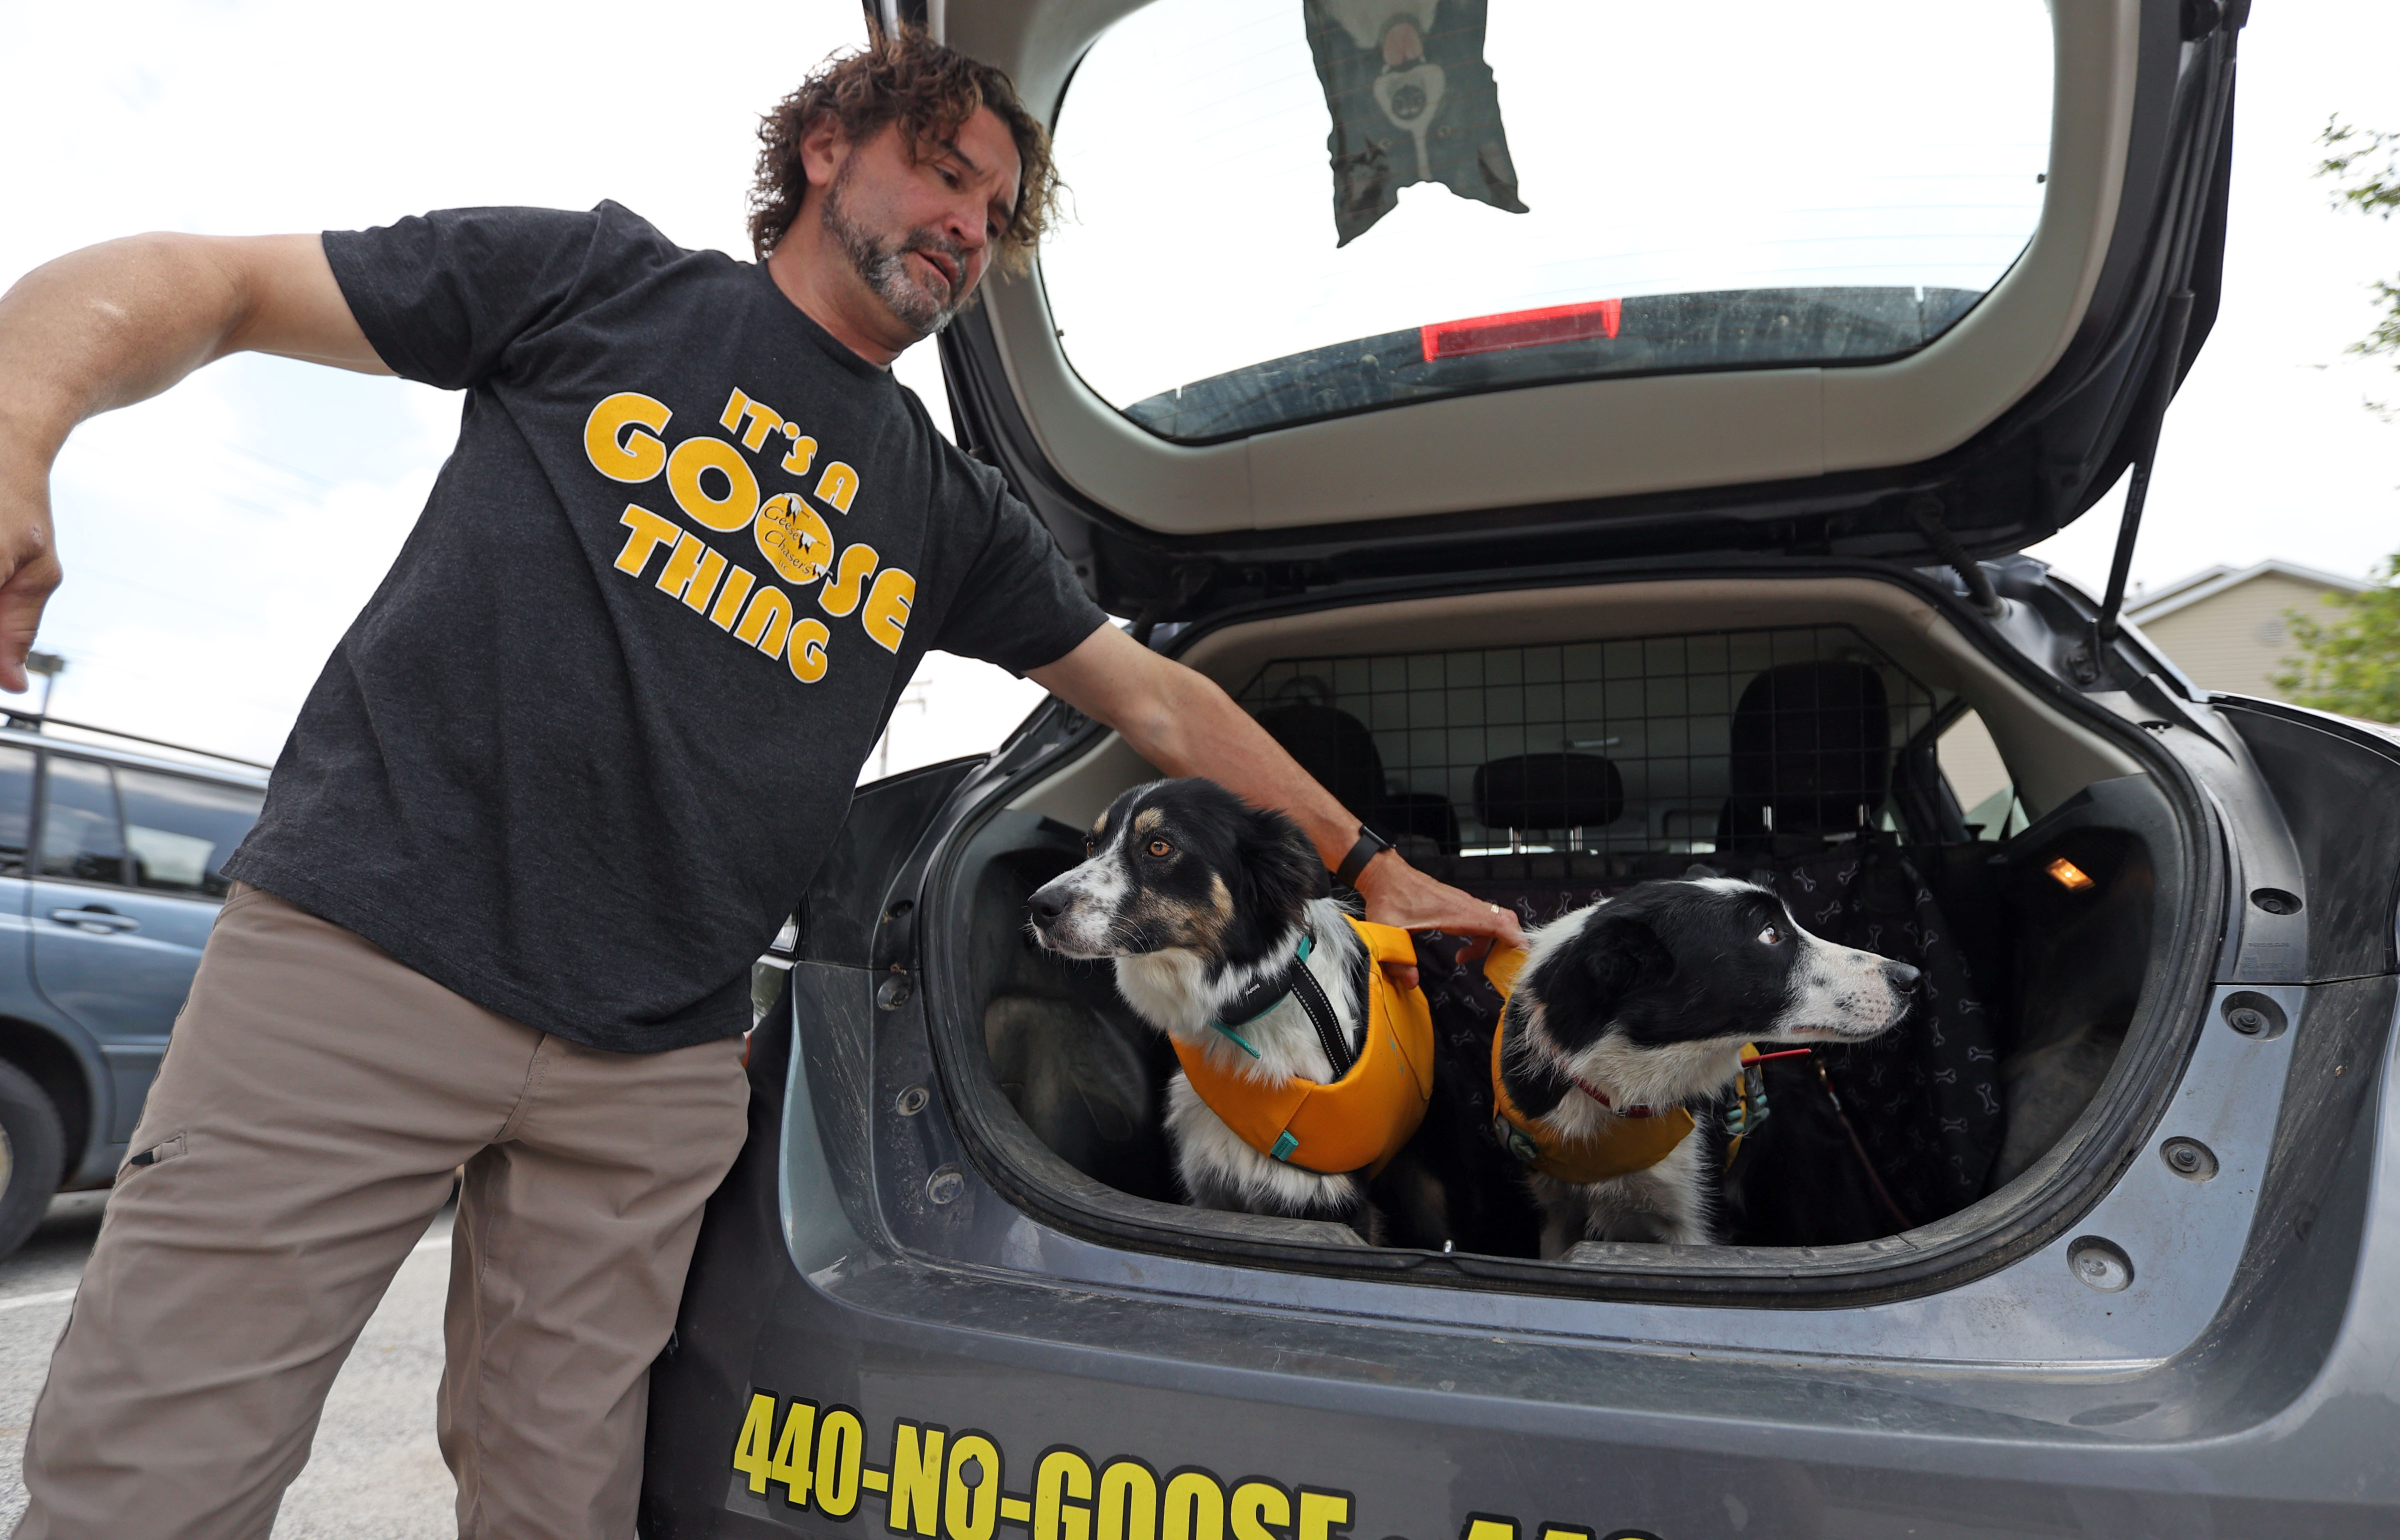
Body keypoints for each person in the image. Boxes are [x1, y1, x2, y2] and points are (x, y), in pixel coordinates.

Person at [0, 27, 1522, 1540]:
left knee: (562, 1507)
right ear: (824, 147)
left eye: (996, 215)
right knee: (152, 1482)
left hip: (653, 1071)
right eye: (944, 174)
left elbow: (1161, 700)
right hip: (371, 965)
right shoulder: (601, 284)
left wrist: (1378, 872)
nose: (968, 228)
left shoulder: (947, 504)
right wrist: (13, 434)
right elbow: (214, 281)